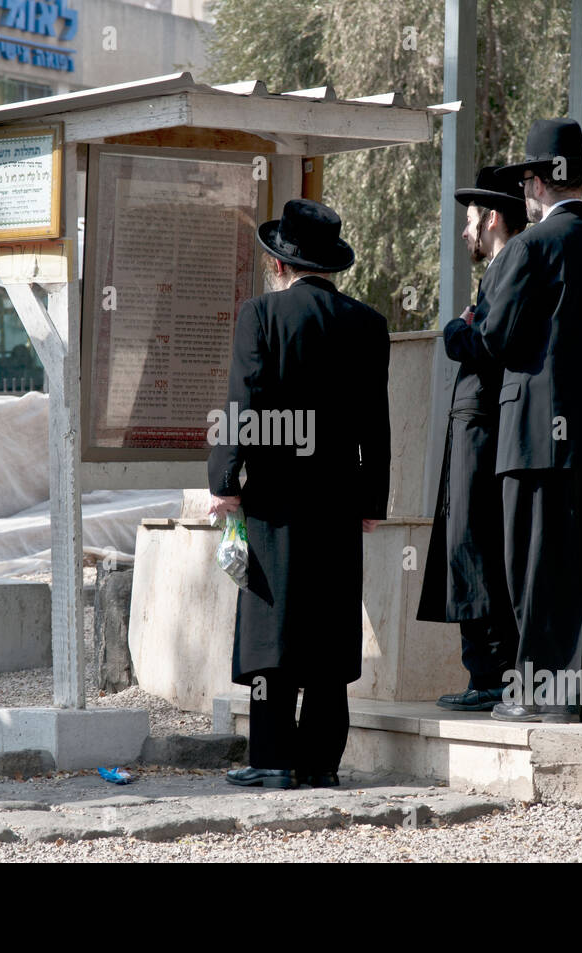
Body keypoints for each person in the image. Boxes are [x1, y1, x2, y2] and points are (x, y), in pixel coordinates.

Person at [208, 198, 391, 788]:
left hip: (276, 497)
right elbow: (376, 424)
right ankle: (320, 764)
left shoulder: (259, 315)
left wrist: (225, 480)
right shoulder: (368, 323)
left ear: (280, 263)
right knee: (330, 626)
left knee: (273, 628)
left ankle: (270, 760)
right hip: (338, 495)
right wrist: (372, 502)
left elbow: (244, 402)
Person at [477, 117, 582, 724]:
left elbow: (497, 339)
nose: (524, 190)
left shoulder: (530, 247)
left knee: (539, 566)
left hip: (536, 439)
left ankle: (536, 694)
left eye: (525, 179)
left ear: (539, 183)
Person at [418, 167, 526, 712]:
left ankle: (489, 675)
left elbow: (485, 342)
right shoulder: (504, 269)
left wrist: (455, 331)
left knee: (473, 544)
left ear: (490, 219)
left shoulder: (509, 266)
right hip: (479, 426)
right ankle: (486, 672)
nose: (466, 235)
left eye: (469, 222)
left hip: (482, 429)